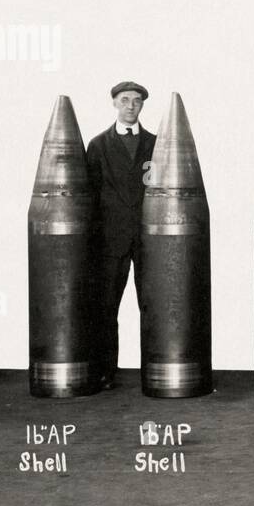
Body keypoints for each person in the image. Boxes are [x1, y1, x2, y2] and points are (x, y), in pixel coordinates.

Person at [85, 81, 155, 390]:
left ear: (142, 106)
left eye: (136, 101)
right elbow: (89, 194)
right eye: (125, 100)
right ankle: (105, 372)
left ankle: (153, 372)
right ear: (114, 103)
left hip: (150, 239)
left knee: (153, 306)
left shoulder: (158, 143)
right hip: (110, 239)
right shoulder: (98, 145)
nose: (130, 105)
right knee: (104, 306)